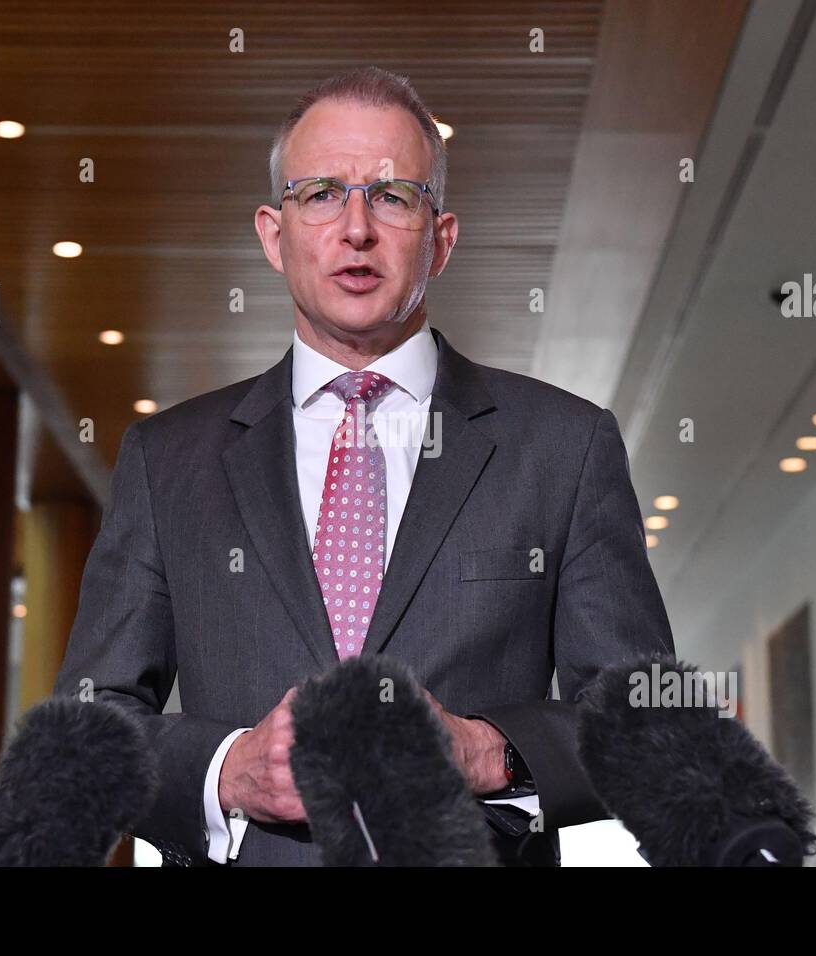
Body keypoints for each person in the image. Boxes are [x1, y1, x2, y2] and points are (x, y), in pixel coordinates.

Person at [54, 65, 674, 866]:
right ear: (274, 235)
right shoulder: (168, 458)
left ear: (441, 240)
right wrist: (226, 773)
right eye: (319, 194)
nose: (355, 229)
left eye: (392, 196)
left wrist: (490, 751)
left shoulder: (565, 445)